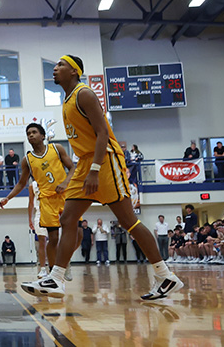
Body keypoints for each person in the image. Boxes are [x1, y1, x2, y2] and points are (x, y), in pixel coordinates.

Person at [22, 55, 182, 300]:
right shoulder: (66, 99)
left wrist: (95, 169)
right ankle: (56, 279)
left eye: (60, 65)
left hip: (105, 160)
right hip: (85, 162)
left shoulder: (84, 94)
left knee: (128, 220)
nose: (55, 69)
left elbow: (102, 132)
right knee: (67, 218)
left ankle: (164, 275)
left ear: (74, 71)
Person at [0, 122, 78, 278]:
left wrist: (65, 182)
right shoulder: (27, 159)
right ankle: (54, 273)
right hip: (47, 200)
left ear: (43, 135)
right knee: (53, 238)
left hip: (65, 195)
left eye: (34, 132)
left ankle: (65, 260)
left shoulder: (57, 149)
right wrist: (8, 197)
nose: (31, 135)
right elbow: (21, 183)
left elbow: (73, 168)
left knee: (79, 233)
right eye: (28, 133)